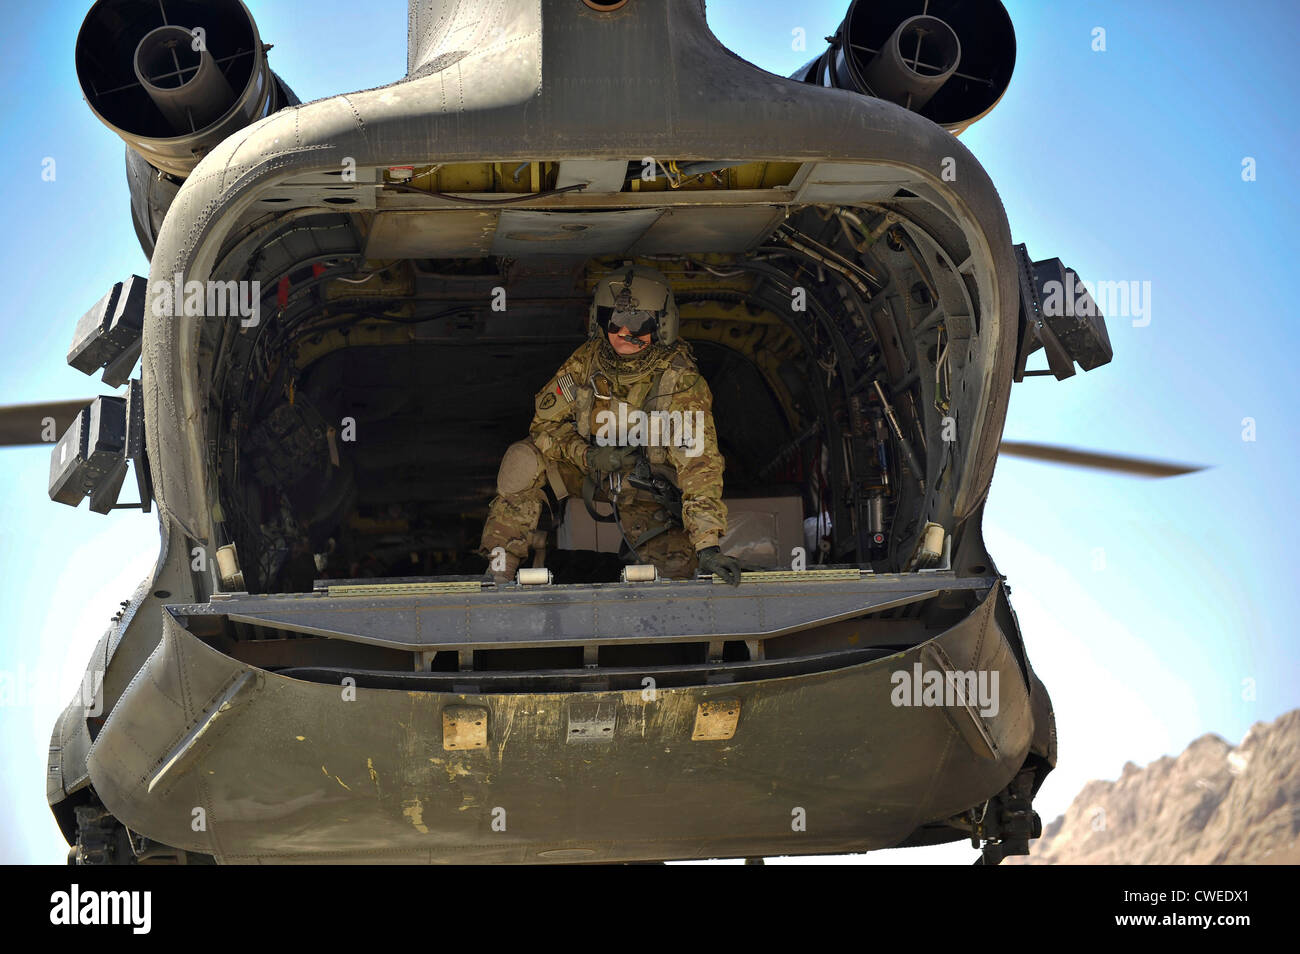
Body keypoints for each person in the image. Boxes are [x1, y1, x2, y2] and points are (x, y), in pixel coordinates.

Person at [479, 264, 742, 585]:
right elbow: (543, 427)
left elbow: (699, 467)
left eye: (637, 323)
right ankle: (499, 568)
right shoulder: (586, 361)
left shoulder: (680, 382)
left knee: (679, 578)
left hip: (647, 493)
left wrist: (708, 547)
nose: (622, 333)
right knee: (522, 458)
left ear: (661, 324)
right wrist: (586, 455)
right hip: (589, 473)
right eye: (612, 321)